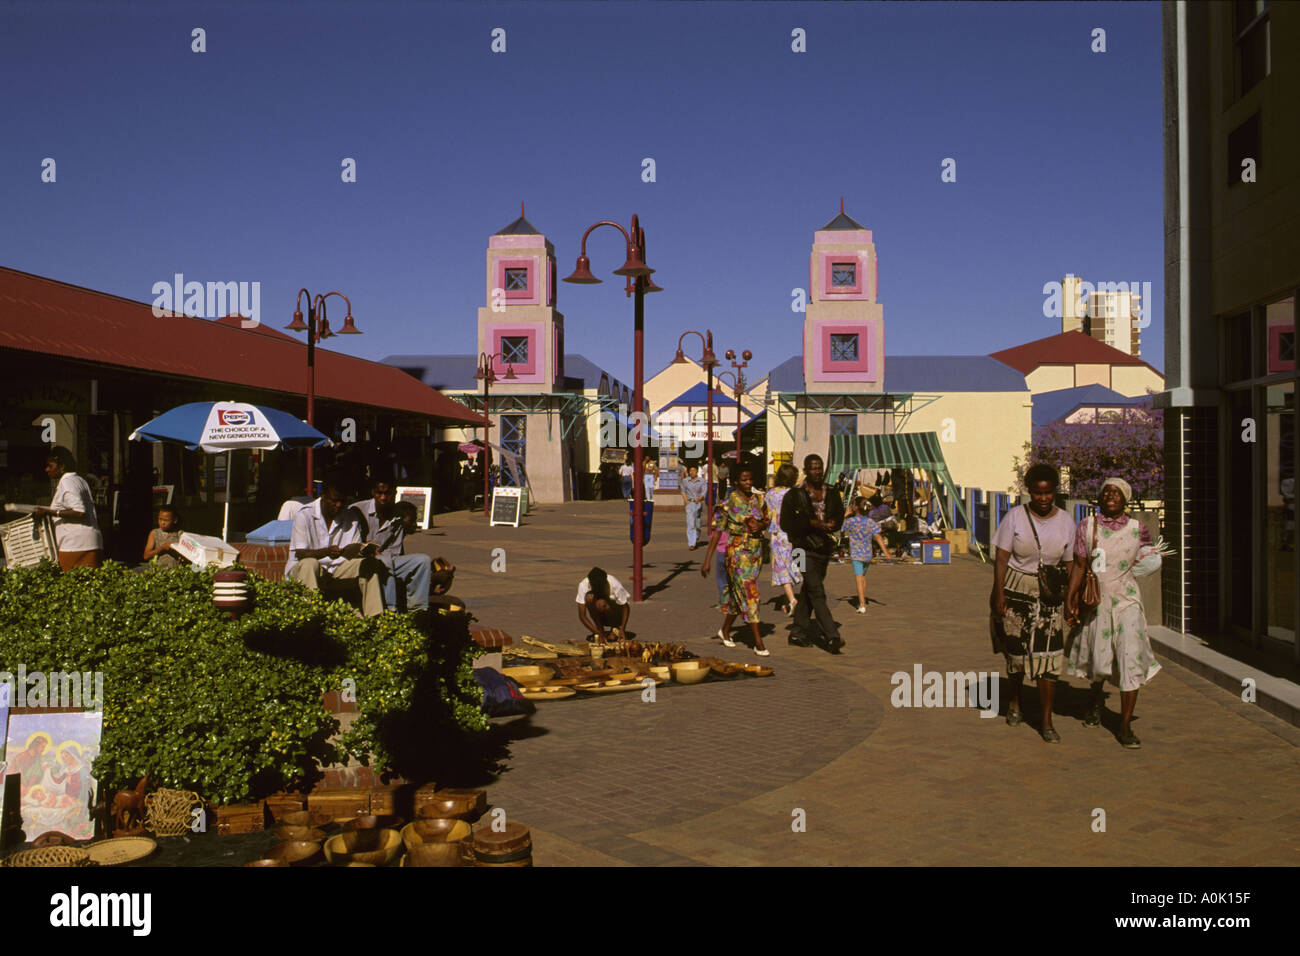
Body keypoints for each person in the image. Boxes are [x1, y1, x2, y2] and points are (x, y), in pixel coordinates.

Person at [1066, 477, 1162, 749]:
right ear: (1099, 497)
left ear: (1126, 498)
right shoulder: (1087, 526)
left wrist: (1138, 568)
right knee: (1100, 659)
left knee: (1130, 658)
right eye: (1106, 491)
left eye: (1116, 492)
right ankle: (1095, 699)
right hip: (1097, 602)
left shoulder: (1138, 529)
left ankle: (1125, 725)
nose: (1110, 495)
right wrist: (1070, 598)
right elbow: (1079, 564)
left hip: (1127, 602)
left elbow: (1150, 559)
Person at [990, 463, 1075, 743]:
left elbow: (1071, 562)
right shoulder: (1015, 517)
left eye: (1048, 493)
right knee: (1016, 655)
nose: (1043, 498)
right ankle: (1015, 702)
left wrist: (1071, 598)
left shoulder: (1066, 521)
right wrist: (999, 593)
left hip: (1050, 595)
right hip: (1016, 590)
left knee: (1050, 659)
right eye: (1038, 493)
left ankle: (1046, 721)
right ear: (1029, 492)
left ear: (1055, 491)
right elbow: (1001, 558)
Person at [285, 473, 386, 617]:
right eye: (334, 500)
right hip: (304, 570)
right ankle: (311, 617)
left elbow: (354, 548)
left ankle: (375, 617)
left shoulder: (350, 516)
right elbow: (300, 554)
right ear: (323, 496)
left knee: (369, 564)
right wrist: (326, 552)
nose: (338, 505)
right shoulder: (304, 515)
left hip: (336, 569)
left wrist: (362, 551)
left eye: (342, 501)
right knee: (310, 563)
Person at [780, 454, 845, 653]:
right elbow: (785, 524)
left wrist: (833, 523)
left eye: (819, 468)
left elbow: (839, 515)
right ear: (805, 470)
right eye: (813, 468)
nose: (817, 472)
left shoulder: (831, 492)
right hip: (800, 549)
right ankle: (832, 635)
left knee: (810, 589)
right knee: (817, 590)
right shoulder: (794, 495)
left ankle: (797, 632)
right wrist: (811, 523)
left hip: (823, 548)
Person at [701, 467, 769, 656]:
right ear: (736, 481)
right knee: (750, 593)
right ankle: (758, 642)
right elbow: (717, 533)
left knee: (738, 594)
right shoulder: (727, 504)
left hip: (755, 553)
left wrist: (760, 525)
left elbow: (767, 520)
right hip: (736, 554)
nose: (748, 483)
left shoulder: (759, 500)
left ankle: (725, 630)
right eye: (744, 480)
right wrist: (707, 560)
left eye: (750, 479)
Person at [350, 477, 432, 612]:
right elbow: (351, 542)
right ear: (373, 492)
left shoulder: (398, 516)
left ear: (394, 493)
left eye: (387, 493)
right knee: (385, 560)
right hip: (360, 561)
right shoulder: (357, 510)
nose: (383, 498)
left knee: (423, 561)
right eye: (379, 493)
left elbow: (394, 551)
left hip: (385, 560)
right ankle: (390, 611)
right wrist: (368, 549)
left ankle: (418, 610)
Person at [35, 447, 104, 570]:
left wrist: (49, 512)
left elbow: (79, 511)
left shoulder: (67, 482)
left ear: (62, 467)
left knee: (70, 579)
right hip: (91, 540)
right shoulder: (79, 480)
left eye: (50, 466)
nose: (47, 470)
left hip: (75, 544)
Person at [765, 462, 802, 616]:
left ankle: (792, 600)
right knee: (798, 566)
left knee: (782, 568)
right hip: (797, 535)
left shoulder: (771, 494)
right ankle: (793, 598)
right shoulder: (797, 494)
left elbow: (767, 514)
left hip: (779, 535)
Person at [843, 497, 888, 613]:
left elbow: (840, 529)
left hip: (856, 554)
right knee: (862, 576)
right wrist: (886, 552)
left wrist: (845, 515)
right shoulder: (870, 522)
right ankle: (862, 598)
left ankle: (862, 604)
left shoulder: (850, 521)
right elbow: (878, 536)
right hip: (867, 554)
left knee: (859, 579)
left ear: (856, 507)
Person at [576, 567, 631, 642]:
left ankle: (614, 627)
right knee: (590, 598)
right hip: (599, 616)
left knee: (602, 603)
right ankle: (600, 629)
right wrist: (598, 633)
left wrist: (622, 629)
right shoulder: (583, 585)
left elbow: (625, 607)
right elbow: (582, 615)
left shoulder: (614, 583)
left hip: (616, 614)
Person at [681, 464, 708, 550]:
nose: (692, 472)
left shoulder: (702, 481)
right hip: (689, 503)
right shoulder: (685, 481)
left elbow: (704, 492)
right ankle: (691, 543)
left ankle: (696, 537)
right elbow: (683, 491)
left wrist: (700, 498)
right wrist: (686, 501)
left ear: (697, 471)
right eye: (690, 471)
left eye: (694, 470)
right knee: (690, 523)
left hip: (698, 503)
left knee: (697, 524)